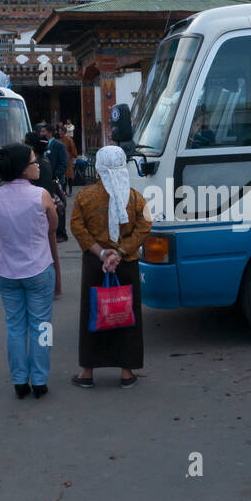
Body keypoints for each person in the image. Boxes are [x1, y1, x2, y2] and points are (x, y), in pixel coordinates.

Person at [70, 145, 151, 388]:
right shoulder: (136, 197)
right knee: (126, 315)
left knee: (93, 314)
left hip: (96, 265)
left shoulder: (85, 197)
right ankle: (127, 373)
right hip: (126, 265)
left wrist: (103, 252)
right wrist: (121, 252)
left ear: (99, 167)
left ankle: (87, 372)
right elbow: (146, 224)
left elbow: (77, 226)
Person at [0, 142, 61, 399]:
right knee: (42, 325)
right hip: (38, 269)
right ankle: (39, 379)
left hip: (7, 272)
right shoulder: (40, 194)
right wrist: (50, 211)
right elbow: (53, 226)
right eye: (33, 162)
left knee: (15, 326)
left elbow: (0, 231)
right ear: (22, 168)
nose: (37, 166)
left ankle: (20, 380)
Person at [58, 123, 78, 194]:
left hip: (68, 159)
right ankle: (64, 191)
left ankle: (70, 190)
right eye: (59, 131)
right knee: (63, 176)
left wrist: (75, 156)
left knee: (69, 176)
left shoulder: (69, 139)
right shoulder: (59, 140)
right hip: (61, 160)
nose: (59, 132)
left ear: (64, 132)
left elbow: (73, 148)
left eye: (61, 131)